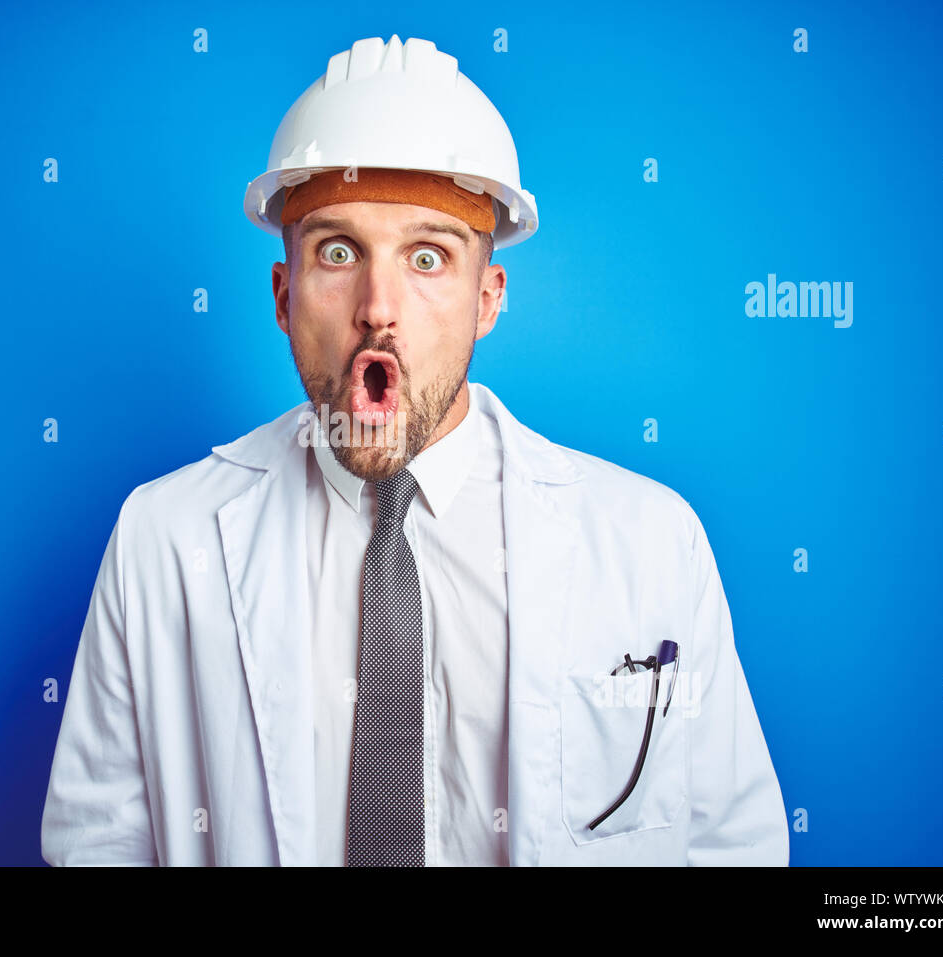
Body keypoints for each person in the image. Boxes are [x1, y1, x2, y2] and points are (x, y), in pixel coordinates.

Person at [41, 34, 789, 866]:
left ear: (487, 298)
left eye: (428, 257)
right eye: (336, 252)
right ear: (285, 296)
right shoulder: (162, 539)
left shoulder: (651, 543)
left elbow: (732, 845)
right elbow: (97, 844)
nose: (378, 308)